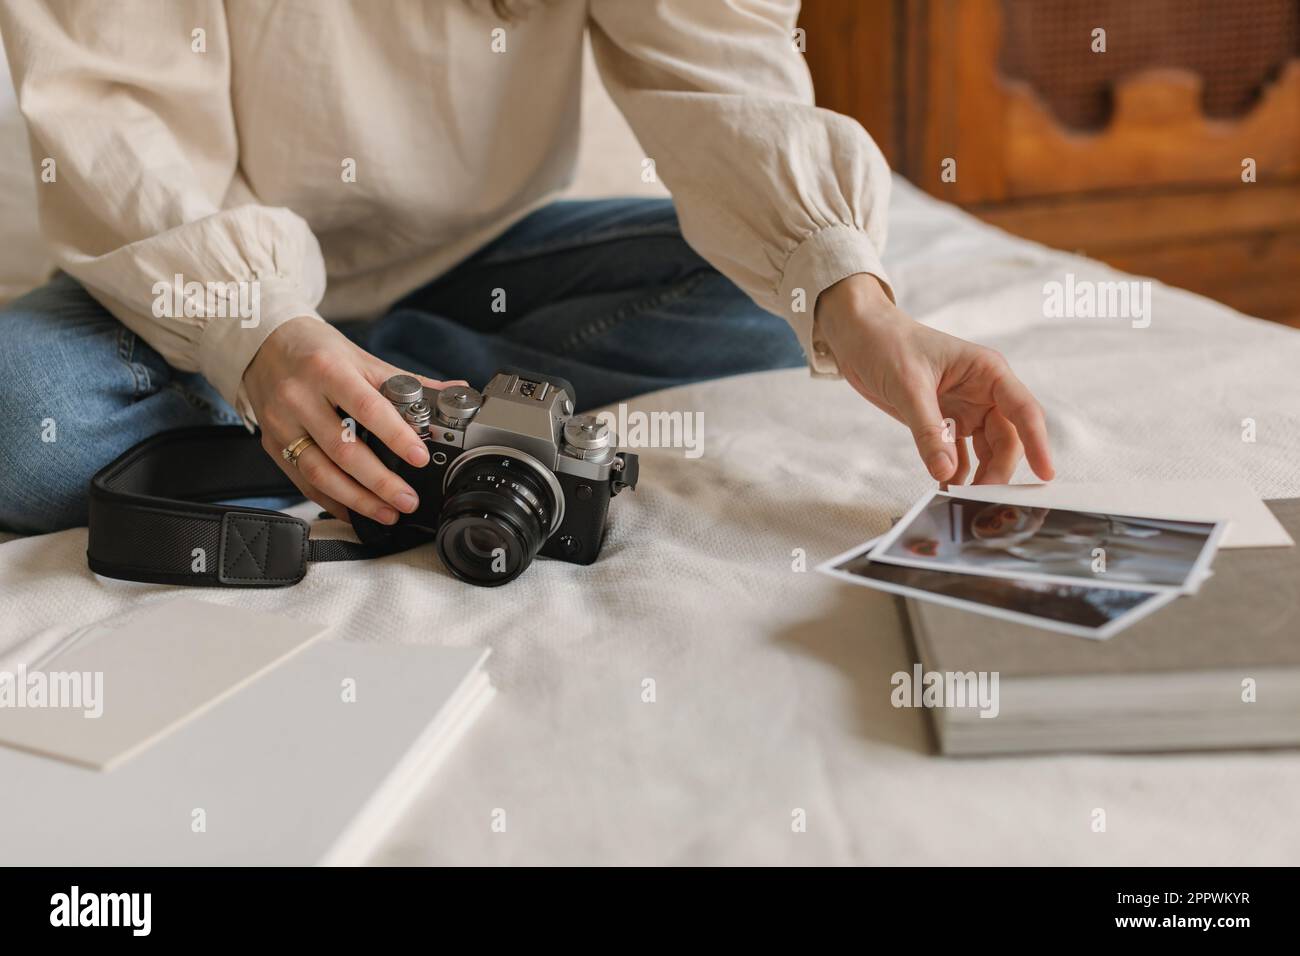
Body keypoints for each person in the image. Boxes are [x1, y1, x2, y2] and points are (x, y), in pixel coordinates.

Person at [0, 0, 1053, 536]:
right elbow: (113, 106)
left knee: (767, 298)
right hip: (206, 286)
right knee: (23, 415)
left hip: (474, 265)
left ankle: (388, 397)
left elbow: (718, 70)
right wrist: (258, 333)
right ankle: (348, 395)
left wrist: (855, 306)